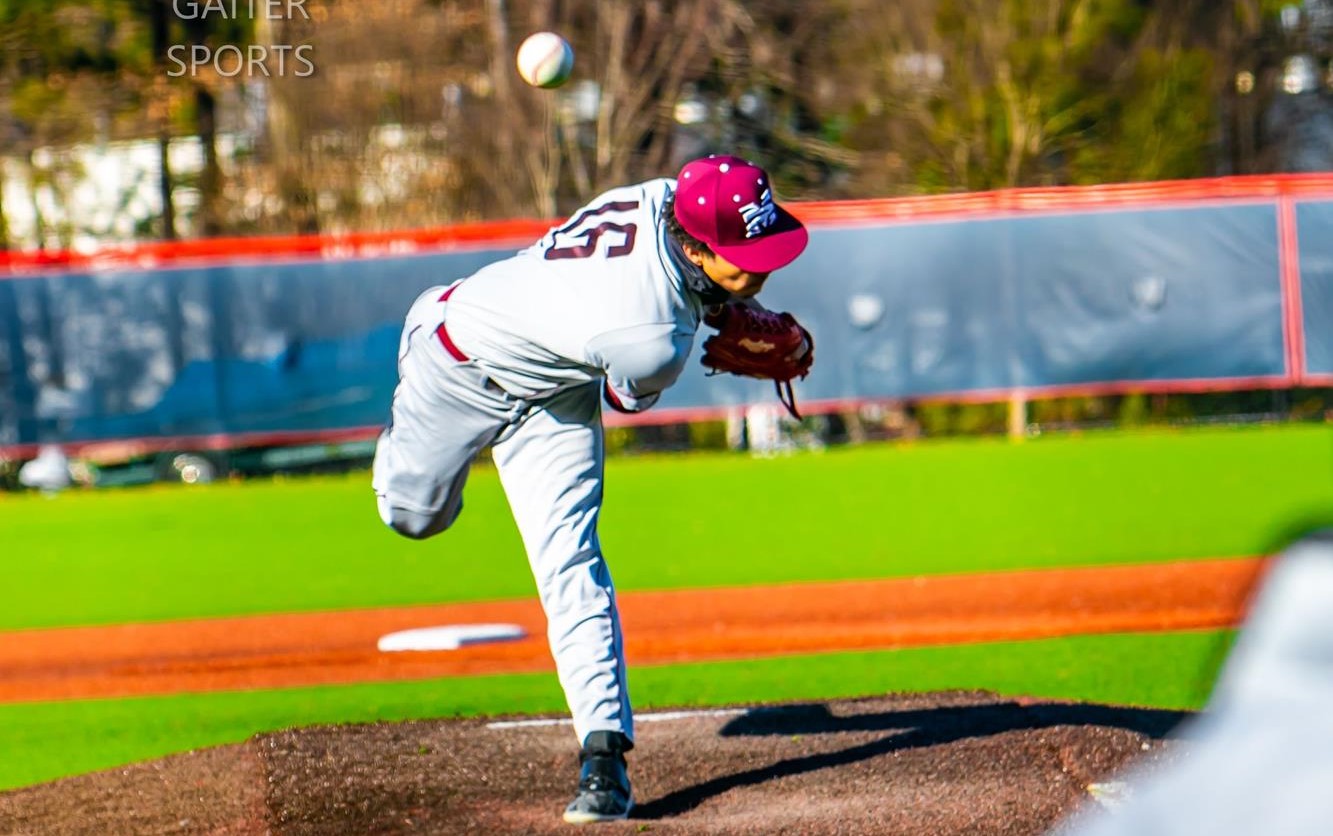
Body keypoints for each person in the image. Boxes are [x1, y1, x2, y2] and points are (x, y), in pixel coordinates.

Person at [371, 154, 811, 823]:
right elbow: (627, 390)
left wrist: (723, 296)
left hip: (556, 393)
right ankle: (407, 426)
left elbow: (616, 351)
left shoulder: (667, 196)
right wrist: (717, 315)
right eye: (743, 256)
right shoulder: (651, 339)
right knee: (412, 518)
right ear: (692, 245)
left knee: (571, 559)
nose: (762, 266)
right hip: (456, 361)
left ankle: (602, 757)